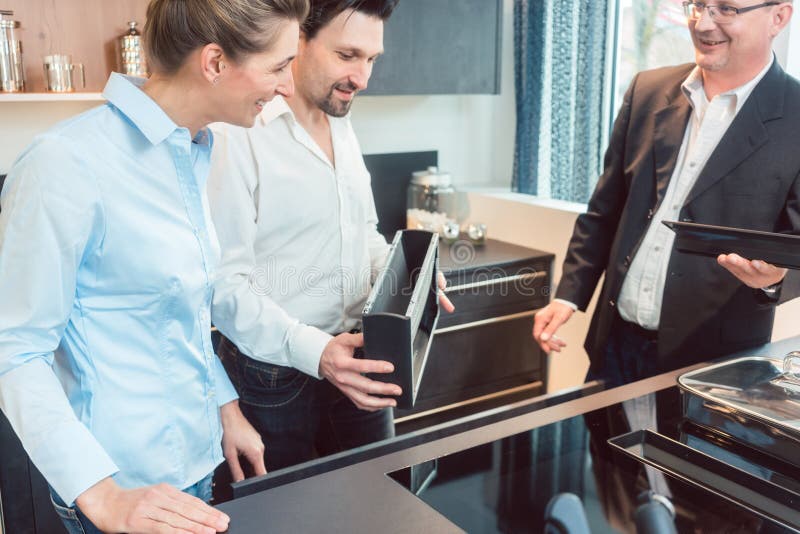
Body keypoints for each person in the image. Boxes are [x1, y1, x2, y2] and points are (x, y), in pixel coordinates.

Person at [0, 0, 308, 532]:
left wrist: (225, 410)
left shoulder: (192, 151)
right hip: (123, 492)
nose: (287, 87)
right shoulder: (65, 164)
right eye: (279, 66)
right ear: (214, 62)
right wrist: (104, 497)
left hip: (194, 467)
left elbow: (174, 312)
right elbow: (15, 351)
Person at [208, 0, 453, 473]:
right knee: (288, 517)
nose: (362, 78)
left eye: (372, 60)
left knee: (376, 499)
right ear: (296, 38)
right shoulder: (237, 132)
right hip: (272, 377)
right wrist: (317, 353)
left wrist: (407, 280)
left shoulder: (341, 120)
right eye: (347, 55)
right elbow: (224, 284)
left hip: (359, 354)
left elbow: (362, 232)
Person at [533, 1, 800, 387]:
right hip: (613, 345)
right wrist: (568, 296)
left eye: (725, 9)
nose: (703, 23)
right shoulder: (647, 90)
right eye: (698, 5)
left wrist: (775, 278)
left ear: (778, 17)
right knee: (598, 450)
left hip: (714, 364)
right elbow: (605, 210)